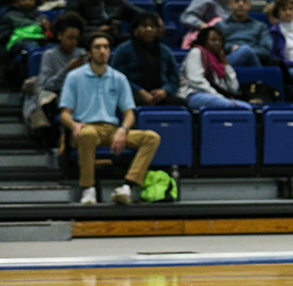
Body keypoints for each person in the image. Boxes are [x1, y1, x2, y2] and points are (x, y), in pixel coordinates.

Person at [60, 32, 161, 205]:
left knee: (152, 137)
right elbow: (64, 113)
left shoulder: (119, 78)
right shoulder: (74, 77)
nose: (103, 51)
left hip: (112, 129)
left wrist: (123, 129)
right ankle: (88, 189)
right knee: (87, 134)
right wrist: (74, 125)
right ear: (89, 53)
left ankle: (127, 186)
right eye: (98, 47)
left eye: (106, 47)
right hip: (86, 127)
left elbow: (129, 113)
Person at [111, 11, 183, 107]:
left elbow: (174, 79)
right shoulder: (124, 50)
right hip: (132, 94)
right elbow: (118, 77)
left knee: (181, 104)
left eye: (153, 27)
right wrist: (140, 91)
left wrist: (165, 91)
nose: (149, 29)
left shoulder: (165, 51)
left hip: (160, 95)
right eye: (145, 26)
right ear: (136, 29)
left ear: (158, 31)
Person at [179, 26, 252, 110]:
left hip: (217, 97)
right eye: (213, 40)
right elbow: (196, 81)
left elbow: (233, 88)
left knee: (246, 107)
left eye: (220, 40)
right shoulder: (196, 52)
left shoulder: (219, 61)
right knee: (244, 108)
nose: (217, 43)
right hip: (194, 95)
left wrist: (226, 64)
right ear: (204, 41)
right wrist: (218, 96)